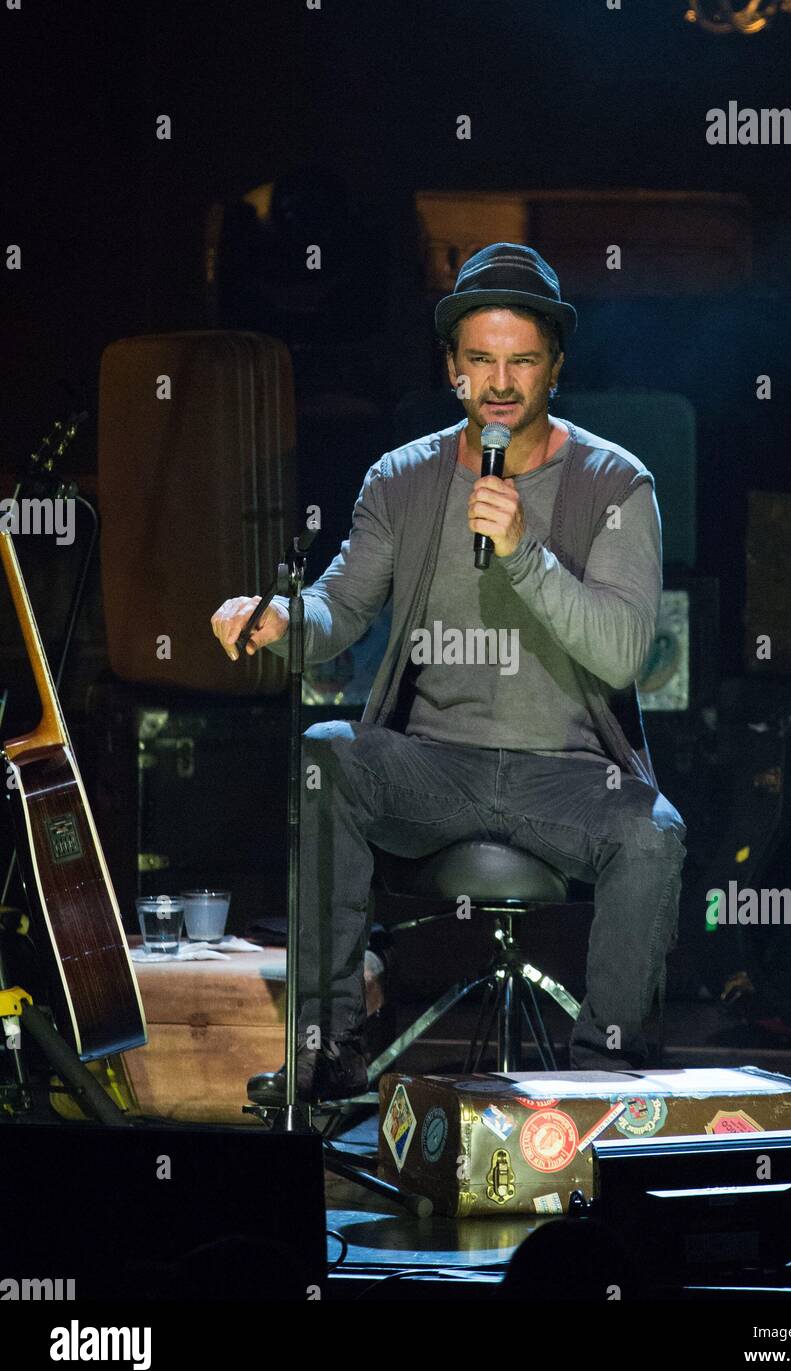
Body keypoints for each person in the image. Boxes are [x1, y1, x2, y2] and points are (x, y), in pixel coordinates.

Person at [211, 242, 687, 1104]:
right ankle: (329, 1053)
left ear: (555, 368)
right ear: (451, 368)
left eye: (521, 361)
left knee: (653, 833)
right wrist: (280, 620)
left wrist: (523, 554)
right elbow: (338, 610)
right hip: (436, 765)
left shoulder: (617, 482)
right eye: (479, 361)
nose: (499, 383)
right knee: (328, 752)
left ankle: (602, 1084)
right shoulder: (403, 478)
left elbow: (621, 652)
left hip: (569, 776)